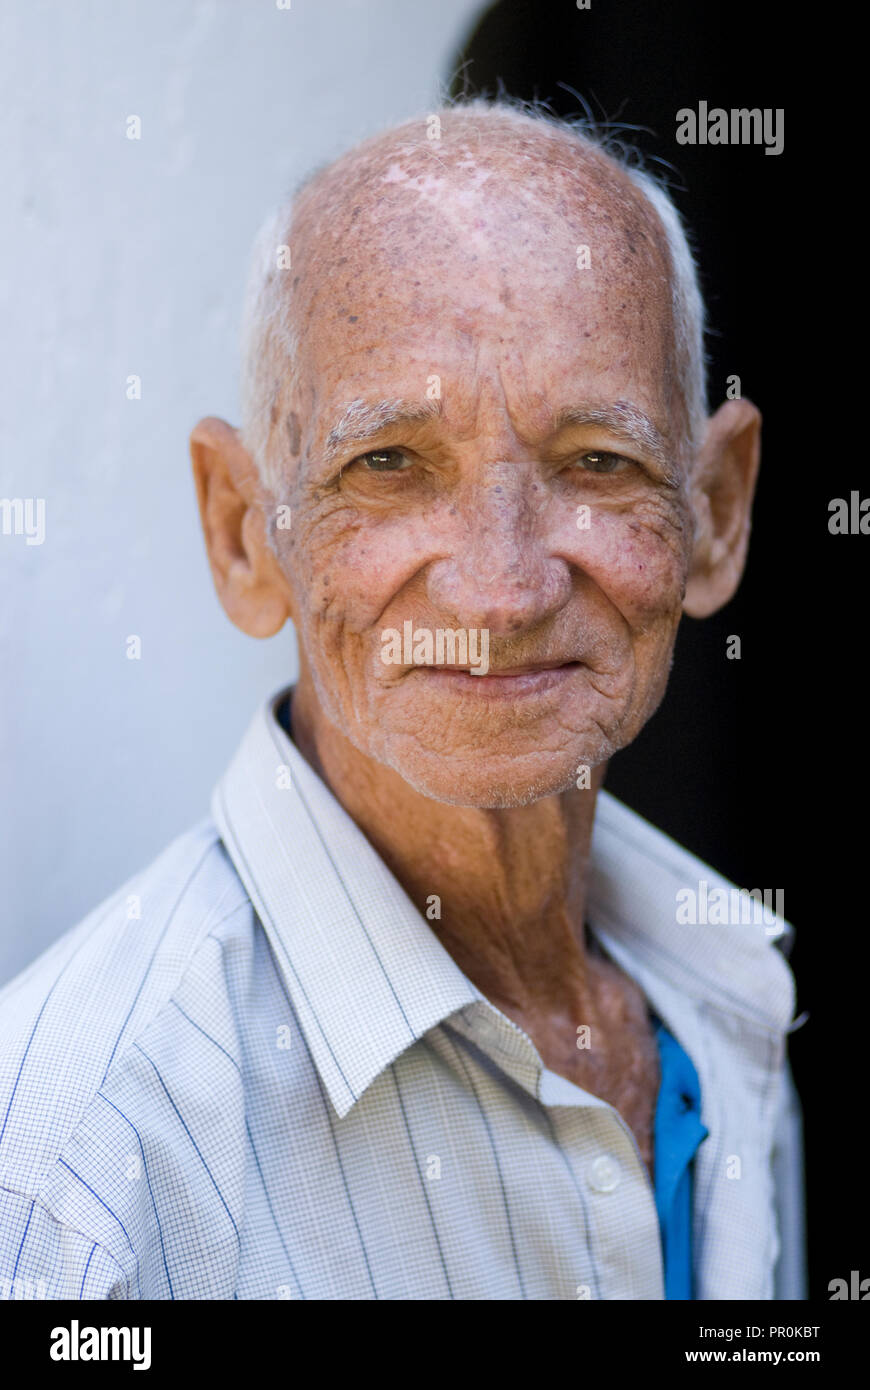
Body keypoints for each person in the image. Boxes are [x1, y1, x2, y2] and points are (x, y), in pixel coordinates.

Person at [0, 99, 803, 1301]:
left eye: (597, 459)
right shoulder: (78, 1169)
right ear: (242, 532)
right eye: (390, 466)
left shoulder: (727, 993)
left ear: (716, 514)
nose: (502, 589)